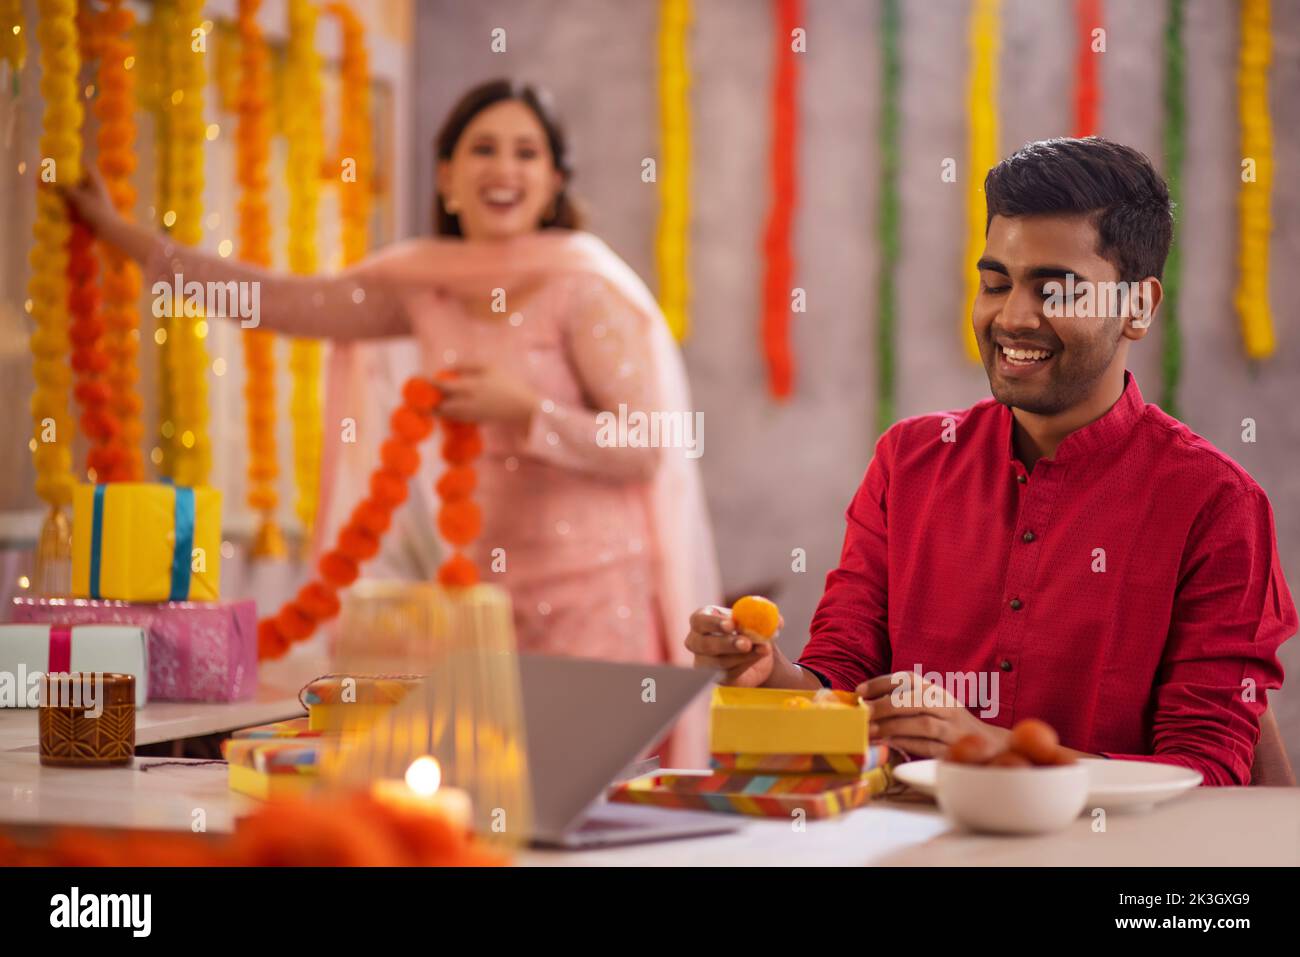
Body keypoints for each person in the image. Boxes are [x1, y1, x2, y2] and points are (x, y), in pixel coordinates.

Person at [64, 78, 720, 764]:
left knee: (585, 789)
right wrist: (124, 237)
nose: (504, 168)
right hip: (485, 599)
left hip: (596, 594)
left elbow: (648, 445)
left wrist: (528, 411)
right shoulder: (423, 283)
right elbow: (280, 302)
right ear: (446, 175)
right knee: (500, 800)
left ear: (553, 180)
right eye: (484, 149)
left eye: (527, 153)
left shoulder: (584, 286)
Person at [686, 137, 1295, 786]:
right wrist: (767, 674)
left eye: (1055, 290)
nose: (1013, 316)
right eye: (996, 283)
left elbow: (1206, 776)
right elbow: (842, 683)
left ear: (1138, 307)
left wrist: (989, 748)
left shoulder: (1213, 501)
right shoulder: (909, 462)